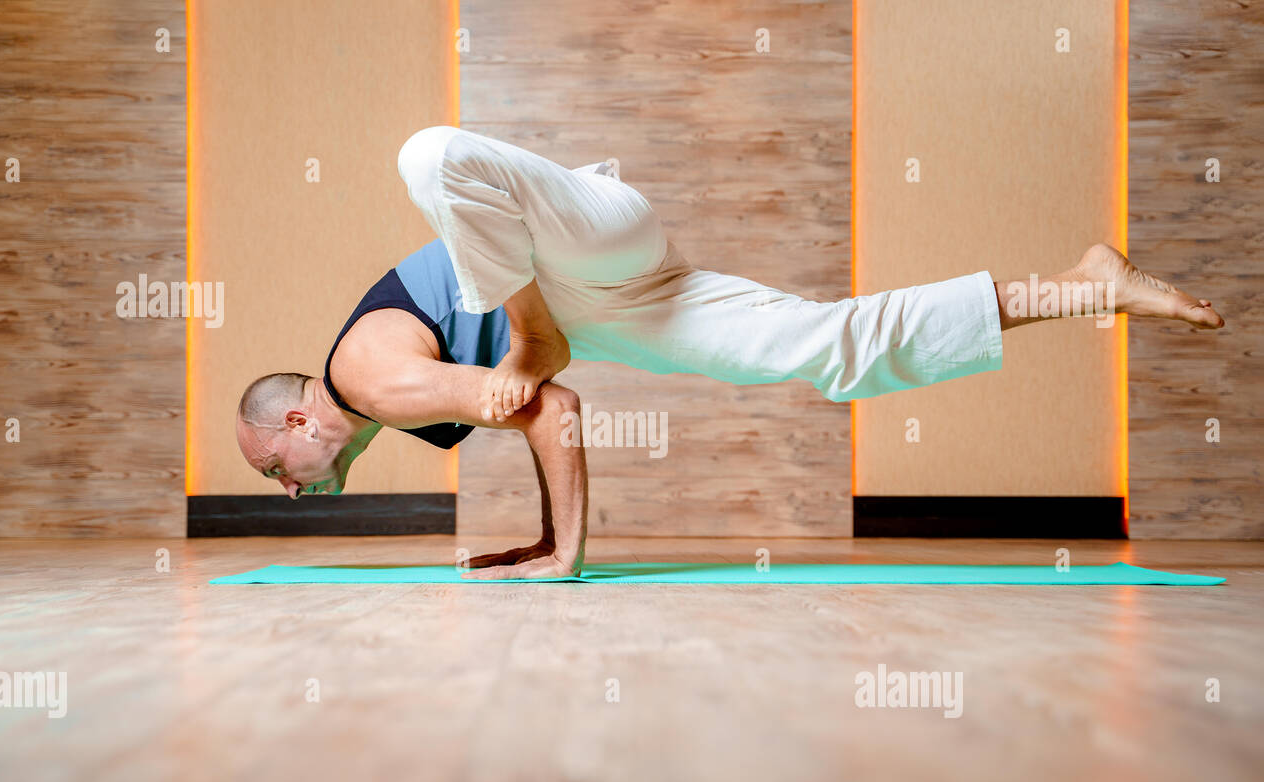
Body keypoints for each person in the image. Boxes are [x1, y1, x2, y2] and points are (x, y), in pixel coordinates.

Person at [236, 126, 1224, 580]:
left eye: (274, 469)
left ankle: (531, 309)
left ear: (295, 422)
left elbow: (552, 404)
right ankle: (1089, 284)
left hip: (571, 254)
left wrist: (565, 553)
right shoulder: (375, 390)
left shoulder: (366, 378)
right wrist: (550, 539)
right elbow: (550, 408)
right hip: (619, 298)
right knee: (829, 348)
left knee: (428, 155)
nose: (285, 487)